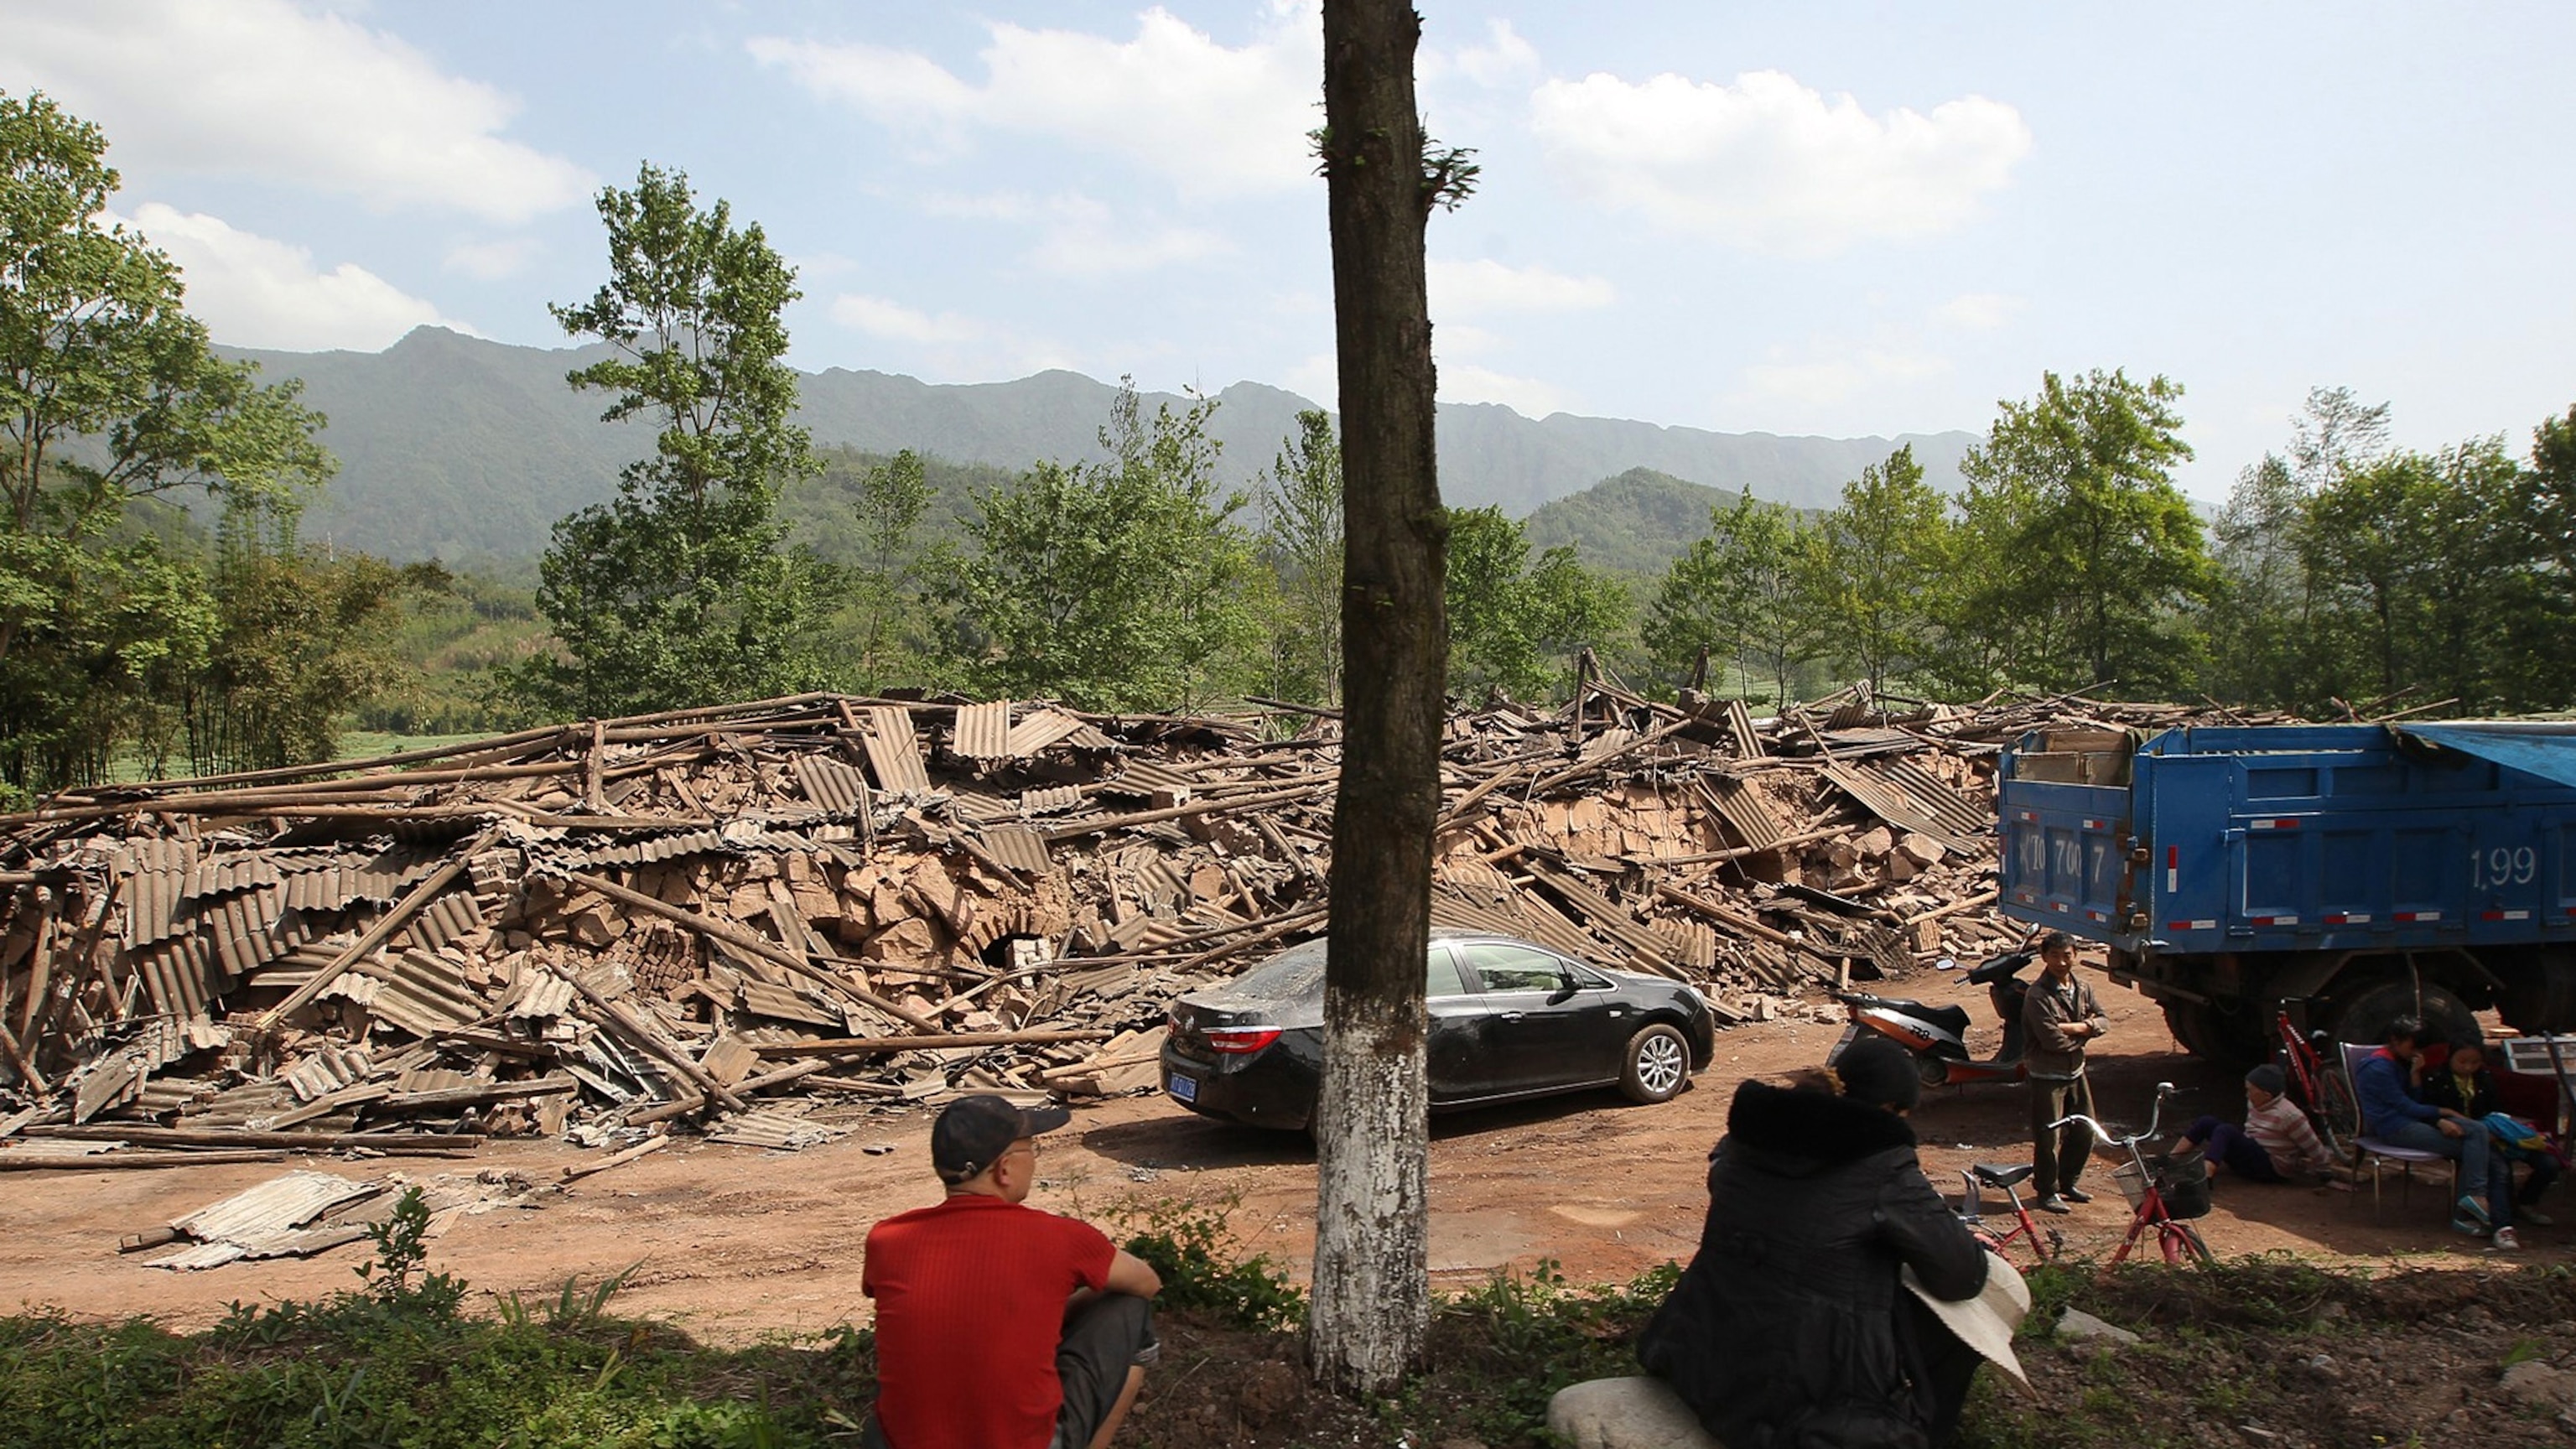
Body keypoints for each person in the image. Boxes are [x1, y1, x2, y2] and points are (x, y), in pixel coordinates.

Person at [1638, 1036, 2002, 1448]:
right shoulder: (1884, 1163)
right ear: (1888, 1109)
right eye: (1904, 1112)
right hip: (1805, 1384)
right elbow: (1961, 1276)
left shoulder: (1746, 1139)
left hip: (1702, 1346)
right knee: (1960, 1336)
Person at [860, 1095, 1164, 1449]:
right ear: (1004, 1169)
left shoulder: (888, 1238)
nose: (1035, 1160)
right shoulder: (1061, 1238)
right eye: (1031, 1149)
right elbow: (1147, 1283)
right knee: (1129, 1308)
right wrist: (1061, 1313)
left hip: (903, 1443)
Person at [2350, 1016, 2516, 1248]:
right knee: (2476, 1146)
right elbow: (2405, 1107)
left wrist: (2416, 1075)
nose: (2416, 1052)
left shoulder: (2404, 1062)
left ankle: (2472, 1202)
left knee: (2476, 1133)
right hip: (2394, 1128)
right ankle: (2469, 1206)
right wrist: (2443, 1112)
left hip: (2417, 1120)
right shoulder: (2377, 1068)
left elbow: (2415, 1100)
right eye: (2412, 1046)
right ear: (2394, 1041)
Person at [2418, 1039, 2560, 1226]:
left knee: (2549, 1164)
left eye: (2474, 1062)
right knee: (2500, 1170)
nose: (2468, 1067)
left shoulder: (2484, 1077)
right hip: (2467, 1136)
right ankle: (2502, 1224)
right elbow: (2425, 1110)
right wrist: (2440, 1122)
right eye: (2462, 1061)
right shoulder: (2434, 1078)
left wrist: (2500, 1130)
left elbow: (2495, 1108)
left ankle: (2525, 1203)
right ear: (2450, 1057)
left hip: (2497, 1133)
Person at [2020, 932, 2110, 1213]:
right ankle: (2047, 1191)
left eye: (2066, 955)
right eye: (2055, 956)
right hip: (2047, 1075)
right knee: (2048, 1138)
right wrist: (2088, 1029)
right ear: (2044, 957)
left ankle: (2068, 1181)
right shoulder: (2037, 996)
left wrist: (2075, 1028)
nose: (2061, 962)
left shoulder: (2083, 987)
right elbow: (2052, 1041)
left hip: (2076, 1072)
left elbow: (2104, 1019)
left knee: (2085, 1130)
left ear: (2076, 955)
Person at [2172, 1064, 2335, 1183]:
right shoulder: (2256, 1103)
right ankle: (2171, 1160)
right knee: (2206, 1122)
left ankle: (2206, 1178)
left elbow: (2312, 1145)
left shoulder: (2290, 1115)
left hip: (2271, 1167)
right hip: (2251, 1154)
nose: (2247, 1094)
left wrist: (2325, 1172)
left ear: (2266, 1095)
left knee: (2225, 1130)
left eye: (2250, 1090)